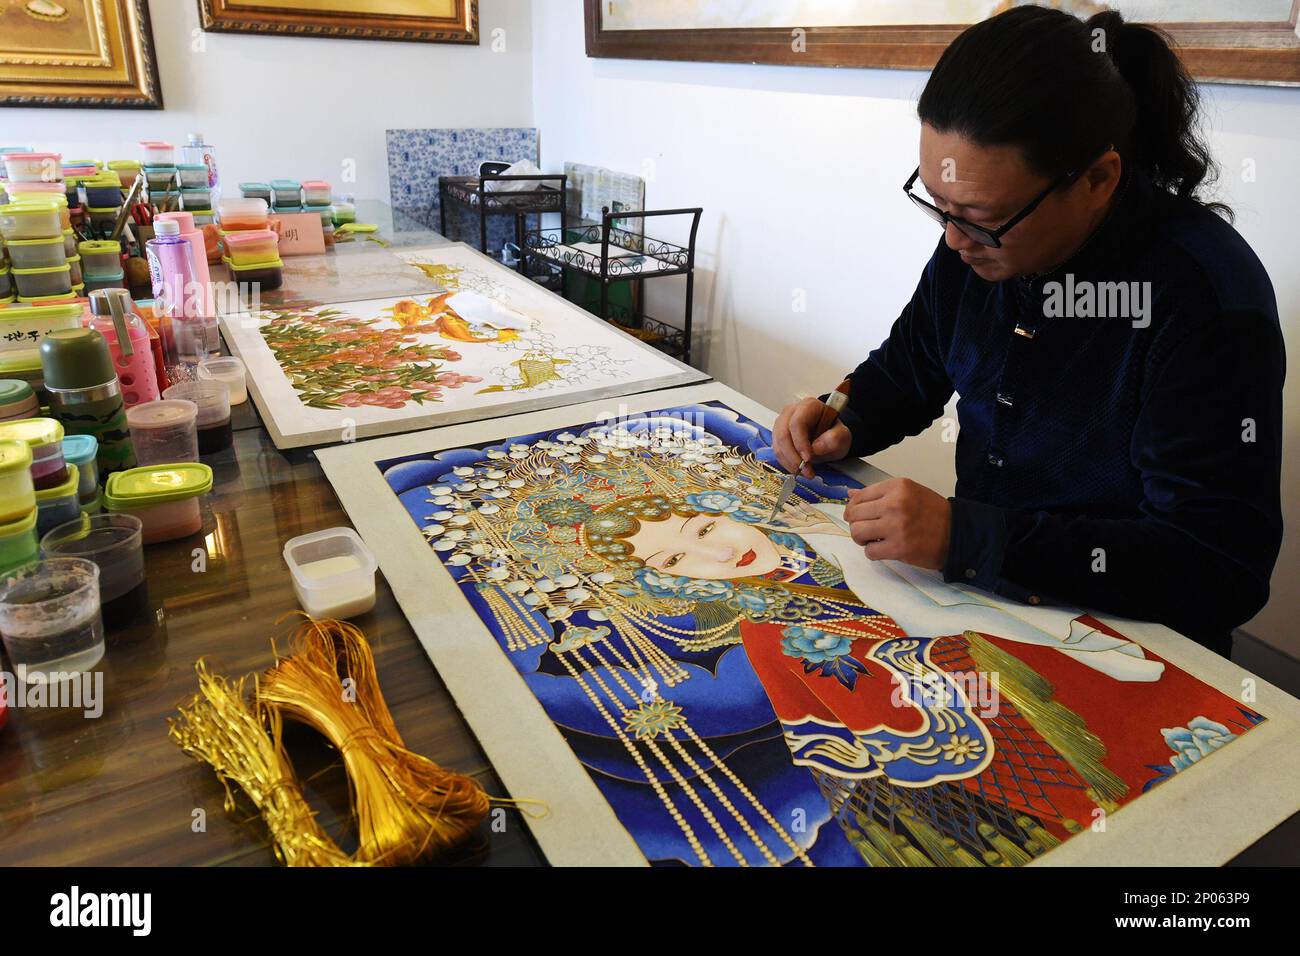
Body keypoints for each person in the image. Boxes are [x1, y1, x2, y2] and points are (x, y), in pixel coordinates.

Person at [772, 6, 1284, 658]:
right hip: (981, 604)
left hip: (1134, 644)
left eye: (979, 218)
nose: (954, 240)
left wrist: (972, 539)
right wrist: (847, 412)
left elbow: (1217, 565)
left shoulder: (1207, 305)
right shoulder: (979, 239)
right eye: (937, 205)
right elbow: (913, 363)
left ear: (1097, 179)